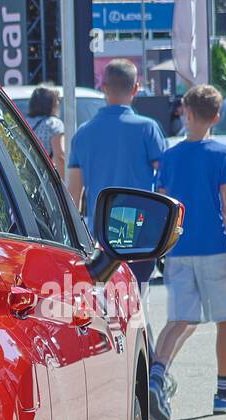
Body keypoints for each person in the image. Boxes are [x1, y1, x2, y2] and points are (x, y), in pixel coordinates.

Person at [148, 83, 226, 420]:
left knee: (179, 319)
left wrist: (161, 249)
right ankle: (224, 392)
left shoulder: (169, 156)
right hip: (216, 249)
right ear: (217, 117)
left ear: (186, 112)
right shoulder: (225, 156)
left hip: (178, 249)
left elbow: (162, 204)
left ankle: (157, 375)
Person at [68, 59, 166, 286]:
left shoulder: (83, 134)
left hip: (100, 234)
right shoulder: (147, 128)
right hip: (141, 233)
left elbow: (74, 193)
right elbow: (165, 177)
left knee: (106, 302)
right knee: (138, 300)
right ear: (136, 88)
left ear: (103, 87)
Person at [26, 86, 66, 179]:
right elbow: (60, 157)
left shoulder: (24, 122)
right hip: (45, 179)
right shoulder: (54, 124)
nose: (58, 104)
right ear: (51, 105)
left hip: (26, 178)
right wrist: (64, 183)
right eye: (57, 101)